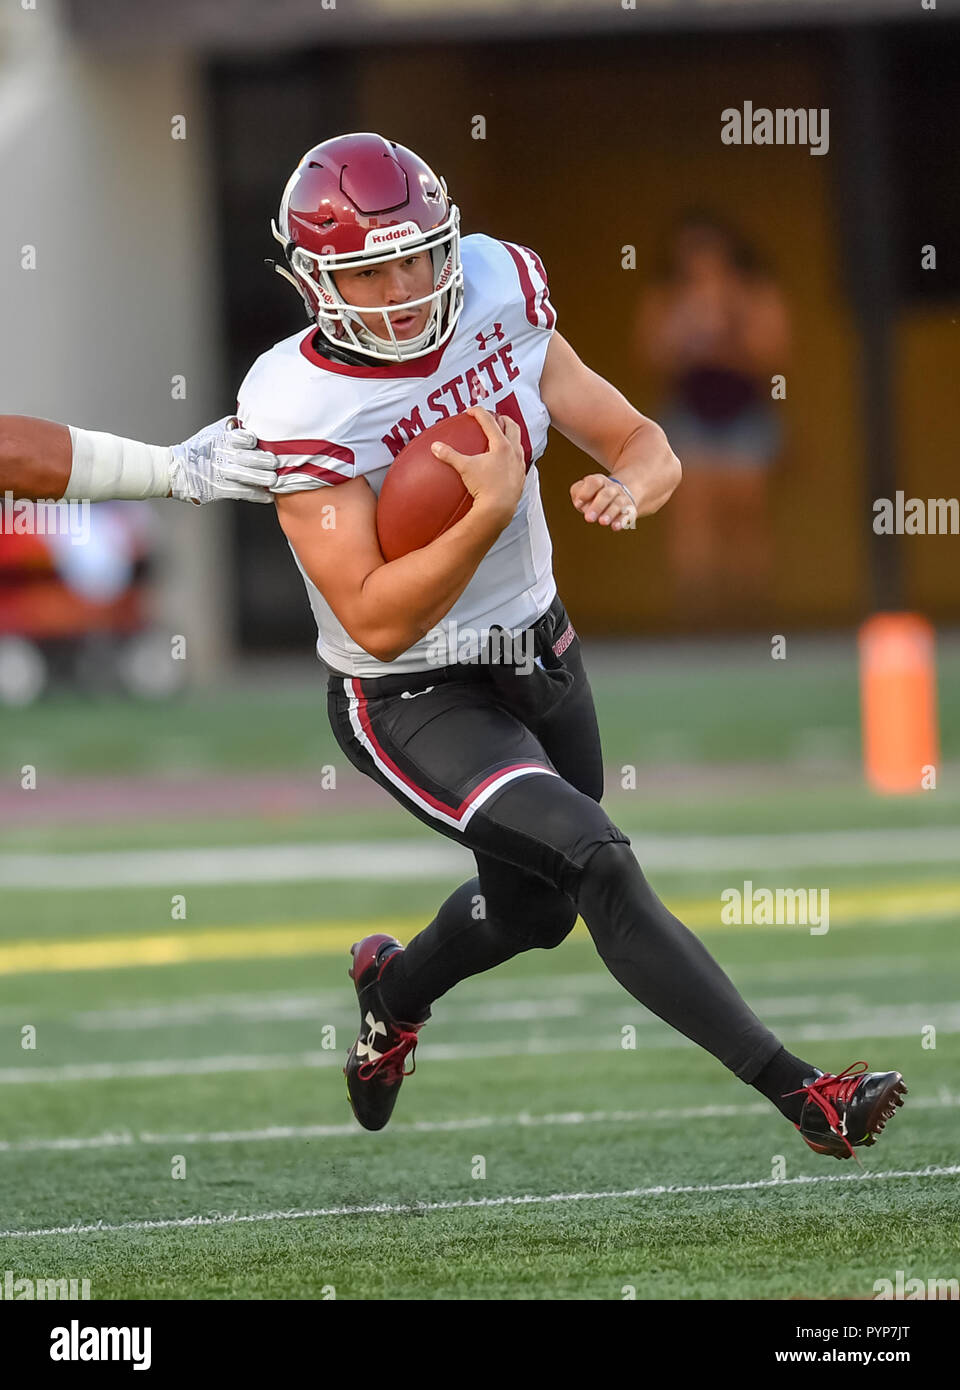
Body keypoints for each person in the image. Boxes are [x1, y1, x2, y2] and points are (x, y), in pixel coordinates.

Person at [0, 133, 905, 1163]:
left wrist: (639, 483)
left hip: (538, 644)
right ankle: (806, 1094)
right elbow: (379, 617)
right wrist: (481, 516)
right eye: (372, 268)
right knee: (597, 859)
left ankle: (392, 990)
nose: (405, 285)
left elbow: (637, 437)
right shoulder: (298, 408)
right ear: (313, 284)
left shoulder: (498, 288)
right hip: (410, 692)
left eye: (421, 255)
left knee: (535, 911)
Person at [637, 213, 790, 623]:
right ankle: (699, 618)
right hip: (690, 412)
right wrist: (687, 323)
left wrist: (730, 324)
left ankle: (752, 615)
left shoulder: (753, 292)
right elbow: (653, 353)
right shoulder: (667, 296)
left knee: (746, 513)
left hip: (745, 413)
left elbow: (774, 351)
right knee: (691, 513)